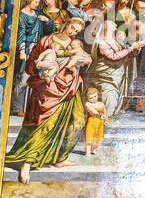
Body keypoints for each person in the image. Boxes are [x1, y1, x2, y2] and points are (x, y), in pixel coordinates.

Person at [7, 17, 92, 183]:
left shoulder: (76, 45)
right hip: (48, 87)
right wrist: (42, 68)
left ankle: (60, 157)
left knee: (77, 121)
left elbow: (84, 59)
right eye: (72, 28)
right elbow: (31, 63)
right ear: (66, 24)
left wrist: (87, 60)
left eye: (77, 31)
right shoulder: (46, 40)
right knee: (44, 124)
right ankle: (27, 162)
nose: (73, 32)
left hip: (69, 87)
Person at [86, 19, 145, 119]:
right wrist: (131, 48)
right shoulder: (101, 42)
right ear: (105, 27)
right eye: (111, 22)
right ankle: (105, 118)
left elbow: (128, 54)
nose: (114, 23)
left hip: (117, 74)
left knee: (116, 96)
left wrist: (137, 47)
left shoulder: (116, 40)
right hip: (105, 75)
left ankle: (108, 118)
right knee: (110, 95)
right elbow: (113, 57)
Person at [82, 86, 108, 155]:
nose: (93, 99)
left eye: (95, 96)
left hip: (100, 123)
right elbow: (92, 110)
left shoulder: (101, 104)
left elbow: (105, 112)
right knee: (89, 136)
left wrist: (106, 120)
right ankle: (88, 152)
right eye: (91, 97)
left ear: (97, 95)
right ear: (87, 98)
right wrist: (98, 114)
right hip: (91, 122)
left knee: (98, 138)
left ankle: (94, 149)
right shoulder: (88, 104)